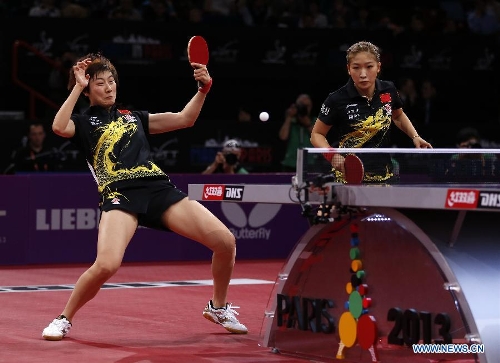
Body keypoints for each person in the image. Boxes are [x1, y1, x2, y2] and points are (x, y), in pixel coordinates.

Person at [41, 52, 248, 341]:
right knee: (107, 264)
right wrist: (77, 86)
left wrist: (203, 89)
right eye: (100, 83)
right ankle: (64, 318)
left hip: (158, 189)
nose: (109, 87)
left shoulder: (134, 117)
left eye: (112, 81)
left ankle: (219, 307)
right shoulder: (84, 122)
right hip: (119, 194)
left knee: (225, 242)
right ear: (88, 90)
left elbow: (184, 119)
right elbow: (59, 127)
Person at [310, 40, 432, 183]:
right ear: (348, 69)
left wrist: (415, 136)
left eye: (369, 67)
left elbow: (398, 115)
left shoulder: (389, 89)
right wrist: (332, 155)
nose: (363, 74)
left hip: (385, 175)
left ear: (378, 67)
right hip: (349, 177)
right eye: (356, 68)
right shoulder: (336, 99)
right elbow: (316, 134)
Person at [278, 93, 315, 172]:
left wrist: (307, 124)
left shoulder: (315, 121)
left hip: (310, 163)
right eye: (301, 105)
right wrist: (288, 117)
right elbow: (283, 136)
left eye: (307, 106)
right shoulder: (291, 121)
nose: (304, 108)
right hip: (291, 163)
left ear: (311, 107)